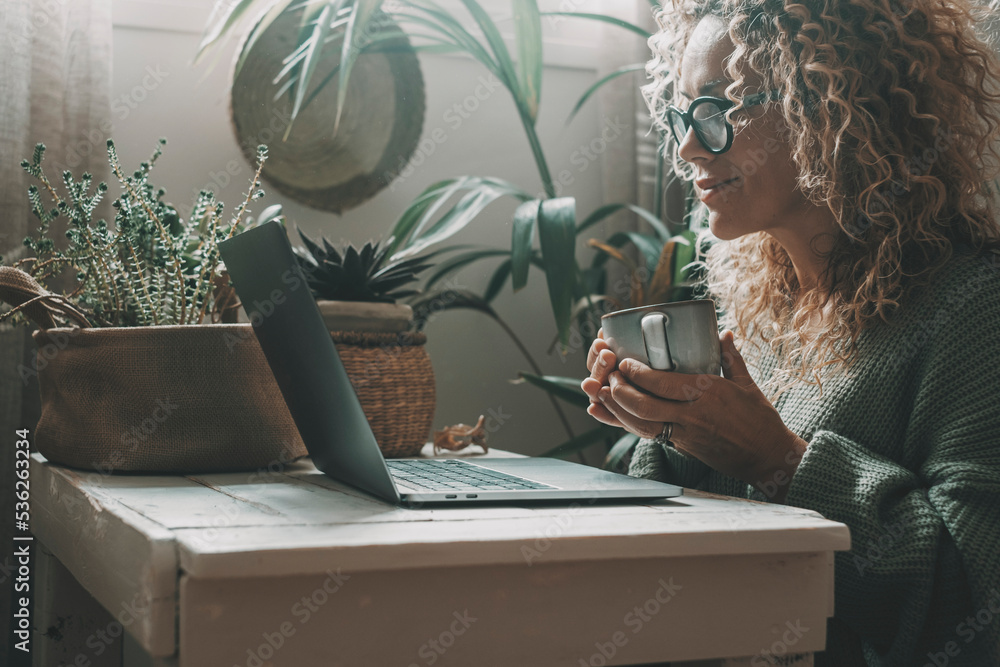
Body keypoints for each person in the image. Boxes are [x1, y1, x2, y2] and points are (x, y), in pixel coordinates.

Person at [582, 0, 1000, 665]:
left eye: (723, 108)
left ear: (831, 107)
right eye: (685, 113)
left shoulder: (973, 308)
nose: (689, 146)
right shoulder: (754, 302)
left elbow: (975, 606)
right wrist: (661, 423)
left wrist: (777, 460)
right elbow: (702, 532)